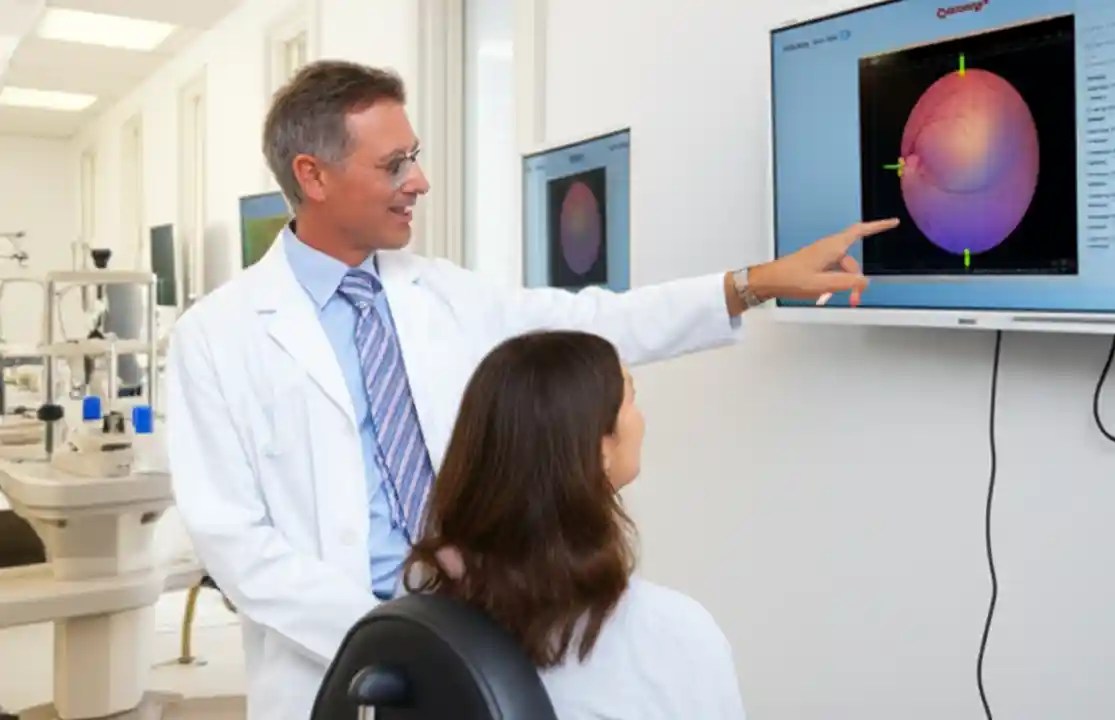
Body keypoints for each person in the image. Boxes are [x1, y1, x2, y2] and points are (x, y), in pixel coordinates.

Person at [165, 58, 896, 720]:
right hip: (333, 666)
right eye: (395, 164)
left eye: (414, 157)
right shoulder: (218, 335)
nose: (418, 180)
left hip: (489, 635)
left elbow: (593, 322)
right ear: (313, 176)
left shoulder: (440, 290)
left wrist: (753, 284)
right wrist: (390, 635)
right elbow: (235, 543)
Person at [405, 329, 743, 719]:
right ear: (600, 449)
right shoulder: (674, 634)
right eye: (631, 400)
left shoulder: (420, 599)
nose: (641, 419)